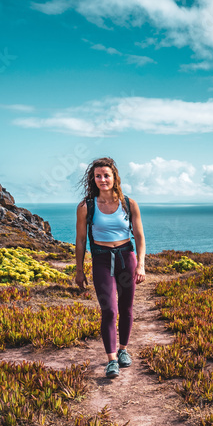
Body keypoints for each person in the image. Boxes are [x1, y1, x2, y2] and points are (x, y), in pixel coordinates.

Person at [74, 158, 146, 378]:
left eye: (106, 175)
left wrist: (141, 264)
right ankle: (111, 359)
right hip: (102, 259)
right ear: (93, 179)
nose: (103, 179)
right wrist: (79, 270)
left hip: (126, 257)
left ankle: (123, 350)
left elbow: (140, 236)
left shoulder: (129, 204)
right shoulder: (87, 206)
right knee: (109, 309)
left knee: (126, 308)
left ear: (114, 177)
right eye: (98, 176)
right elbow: (80, 240)